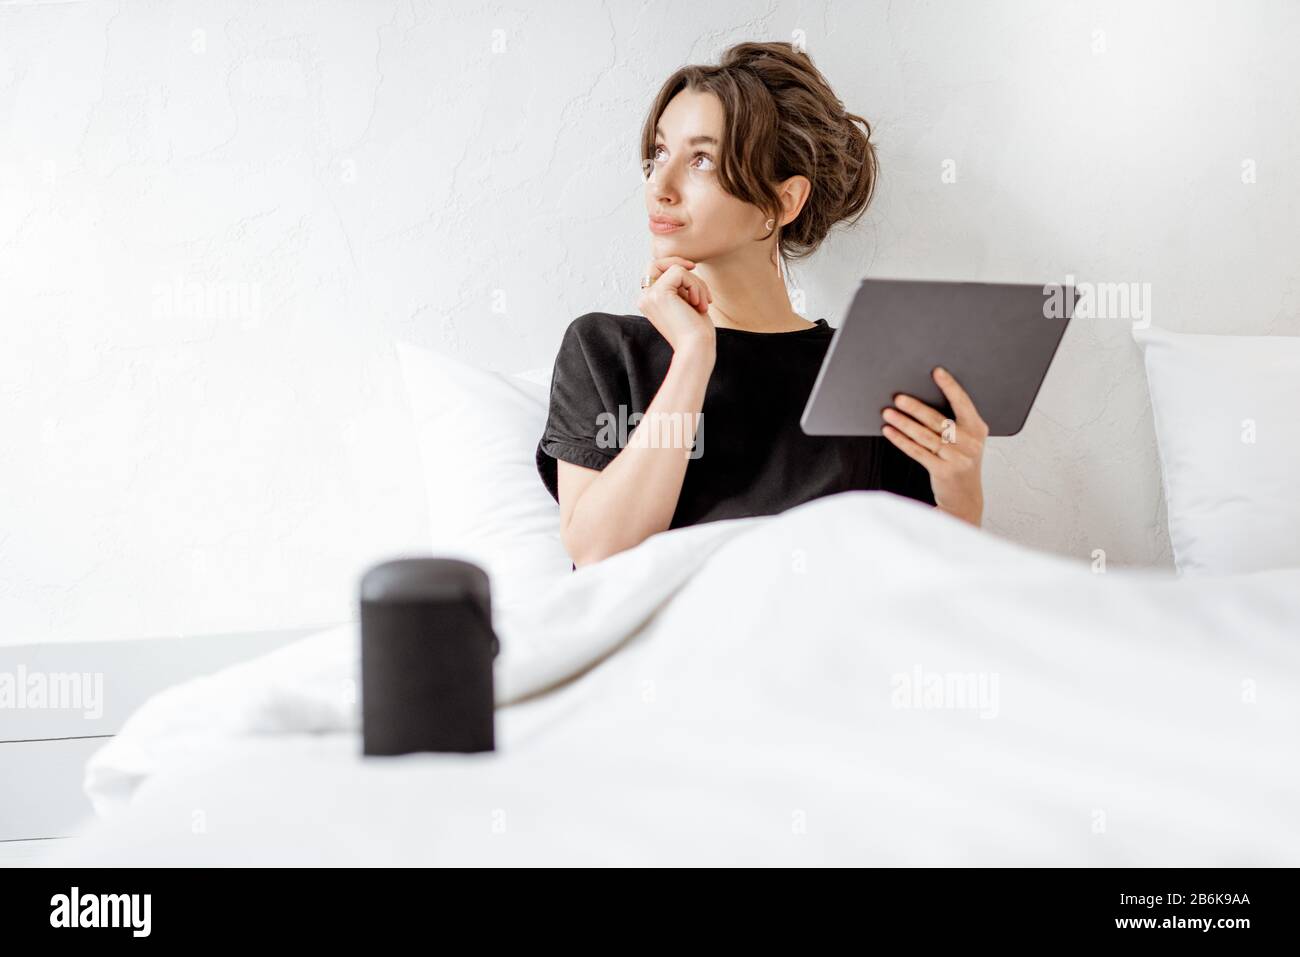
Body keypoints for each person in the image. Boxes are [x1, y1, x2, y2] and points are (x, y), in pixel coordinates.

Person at [536, 41, 988, 568]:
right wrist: (693, 355)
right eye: (659, 153)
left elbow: (922, 579)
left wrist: (962, 489)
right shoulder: (605, 349)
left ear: (783, 201)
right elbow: (600, 553)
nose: (659, 185)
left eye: (701, 159)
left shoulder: (864, 368)